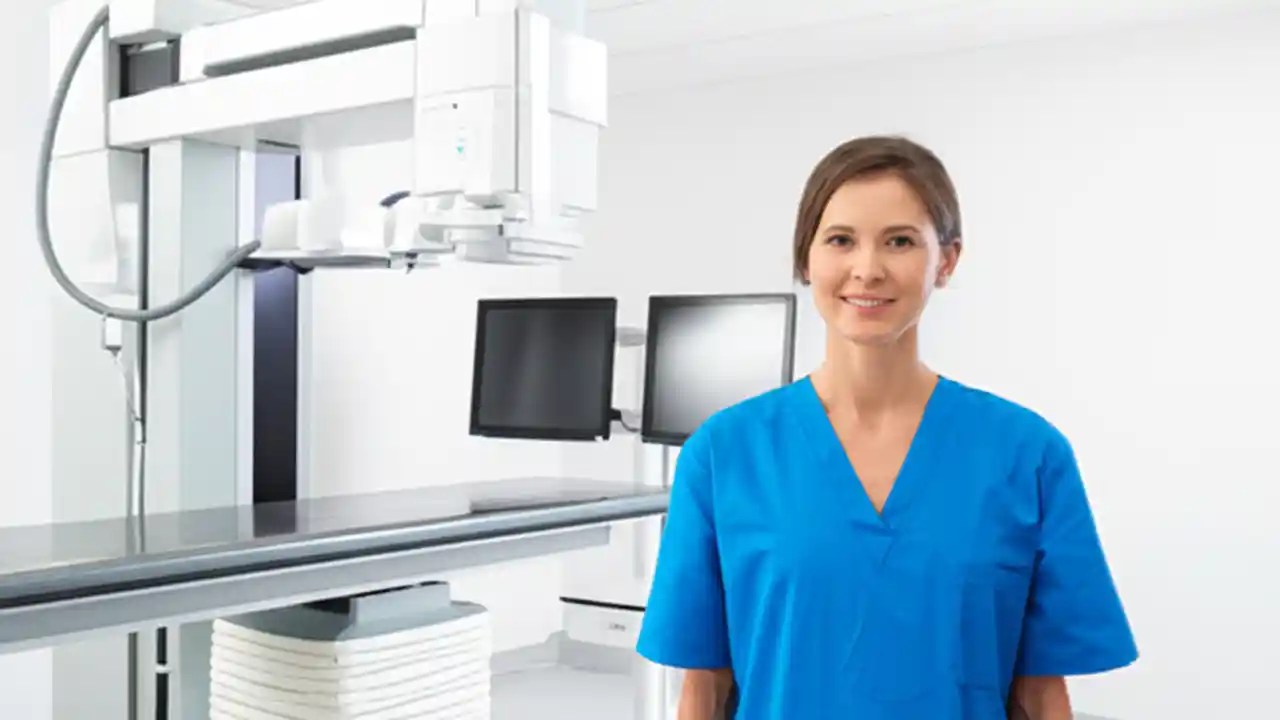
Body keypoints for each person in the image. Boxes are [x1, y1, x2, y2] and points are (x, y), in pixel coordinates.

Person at [635, 136, 1138, 719]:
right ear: (807, 259)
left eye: (899, 241)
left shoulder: (1027, 454)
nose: (867, 269)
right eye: (841, 240)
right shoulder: (724, 455)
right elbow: (703, 691)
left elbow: (1041, 694)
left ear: (945, 261)